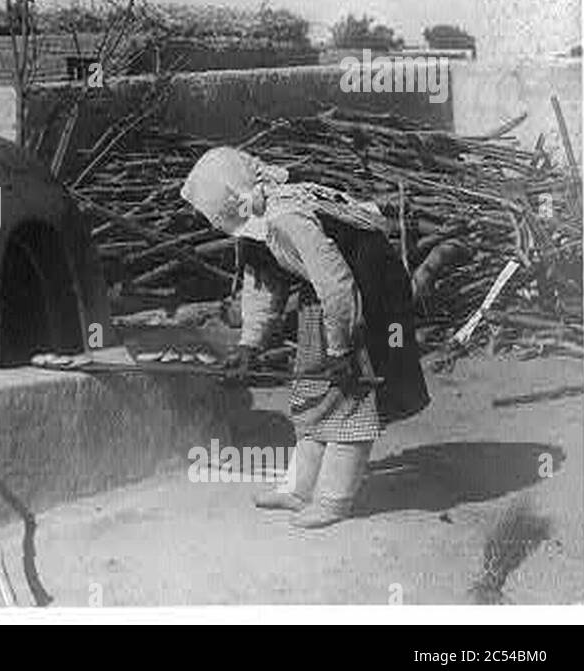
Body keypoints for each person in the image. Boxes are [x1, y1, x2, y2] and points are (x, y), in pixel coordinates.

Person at [181, 147, 430, 528]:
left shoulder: (286, 216)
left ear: (226, 200)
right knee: (312, 392)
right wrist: (250, 344)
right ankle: (299, 489)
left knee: (350, 399)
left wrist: (342, 347)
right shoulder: (258, 222)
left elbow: (337, 280)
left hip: (368, 295)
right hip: (330, 297)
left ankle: (334, 500)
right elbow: (264, 283)